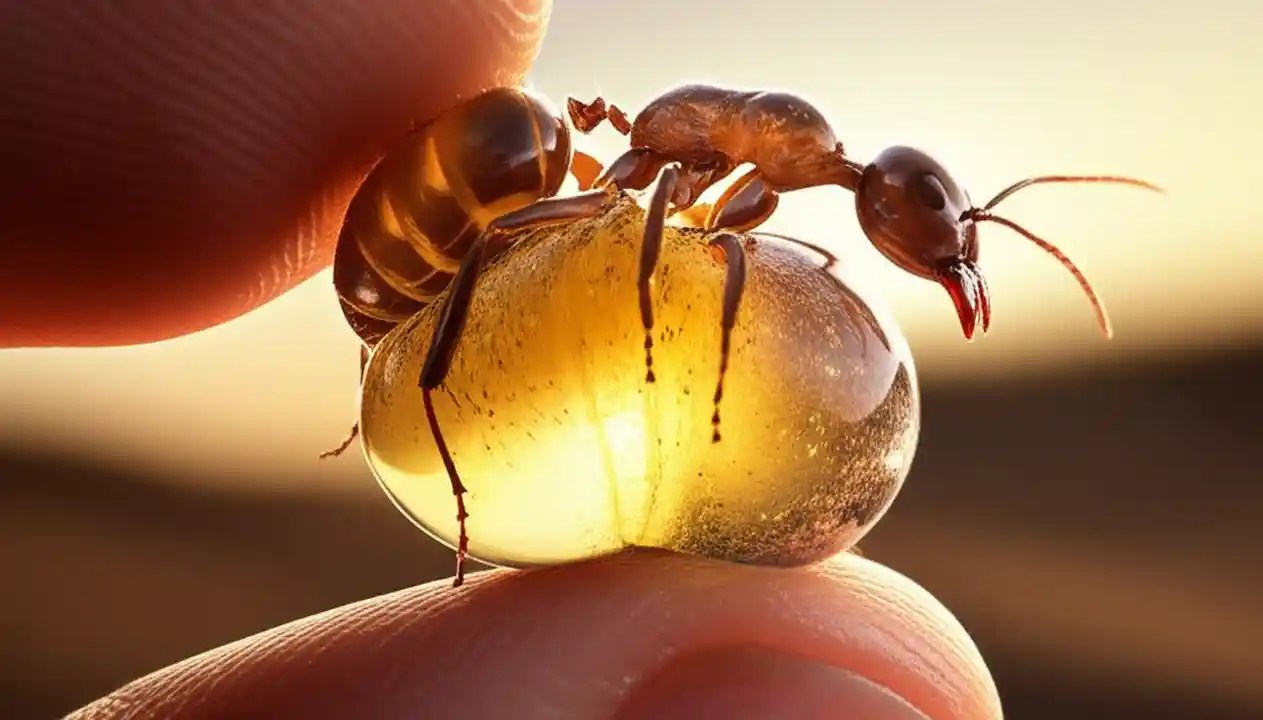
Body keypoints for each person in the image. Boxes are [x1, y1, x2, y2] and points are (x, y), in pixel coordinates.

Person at [0, 2, 1001, 717]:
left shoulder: (763, 186)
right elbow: (664, 205)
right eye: (928, 231)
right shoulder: (705, 172)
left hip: (526, 187)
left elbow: (709, 219)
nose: (924, 242)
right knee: (498, 242)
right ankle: (425, 387)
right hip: (472, 197)